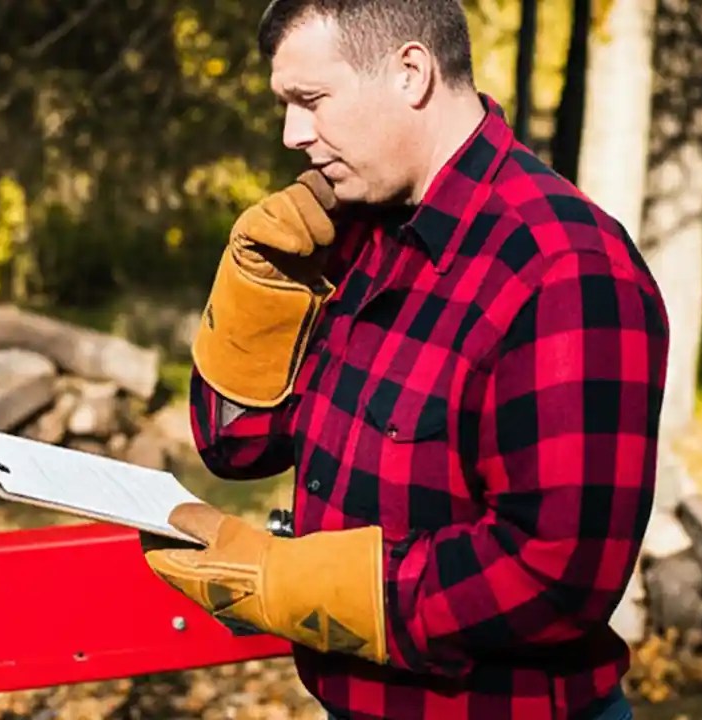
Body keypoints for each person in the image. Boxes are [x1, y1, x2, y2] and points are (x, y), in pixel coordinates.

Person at [142, 0, 670, 719]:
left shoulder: (565, 267)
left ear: (411, 72)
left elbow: (559, 572)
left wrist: (313, 586)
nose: (293, 134)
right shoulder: (362, 231)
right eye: (286, 105)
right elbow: (237, 446)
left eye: (311, 100)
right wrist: (257, 290)